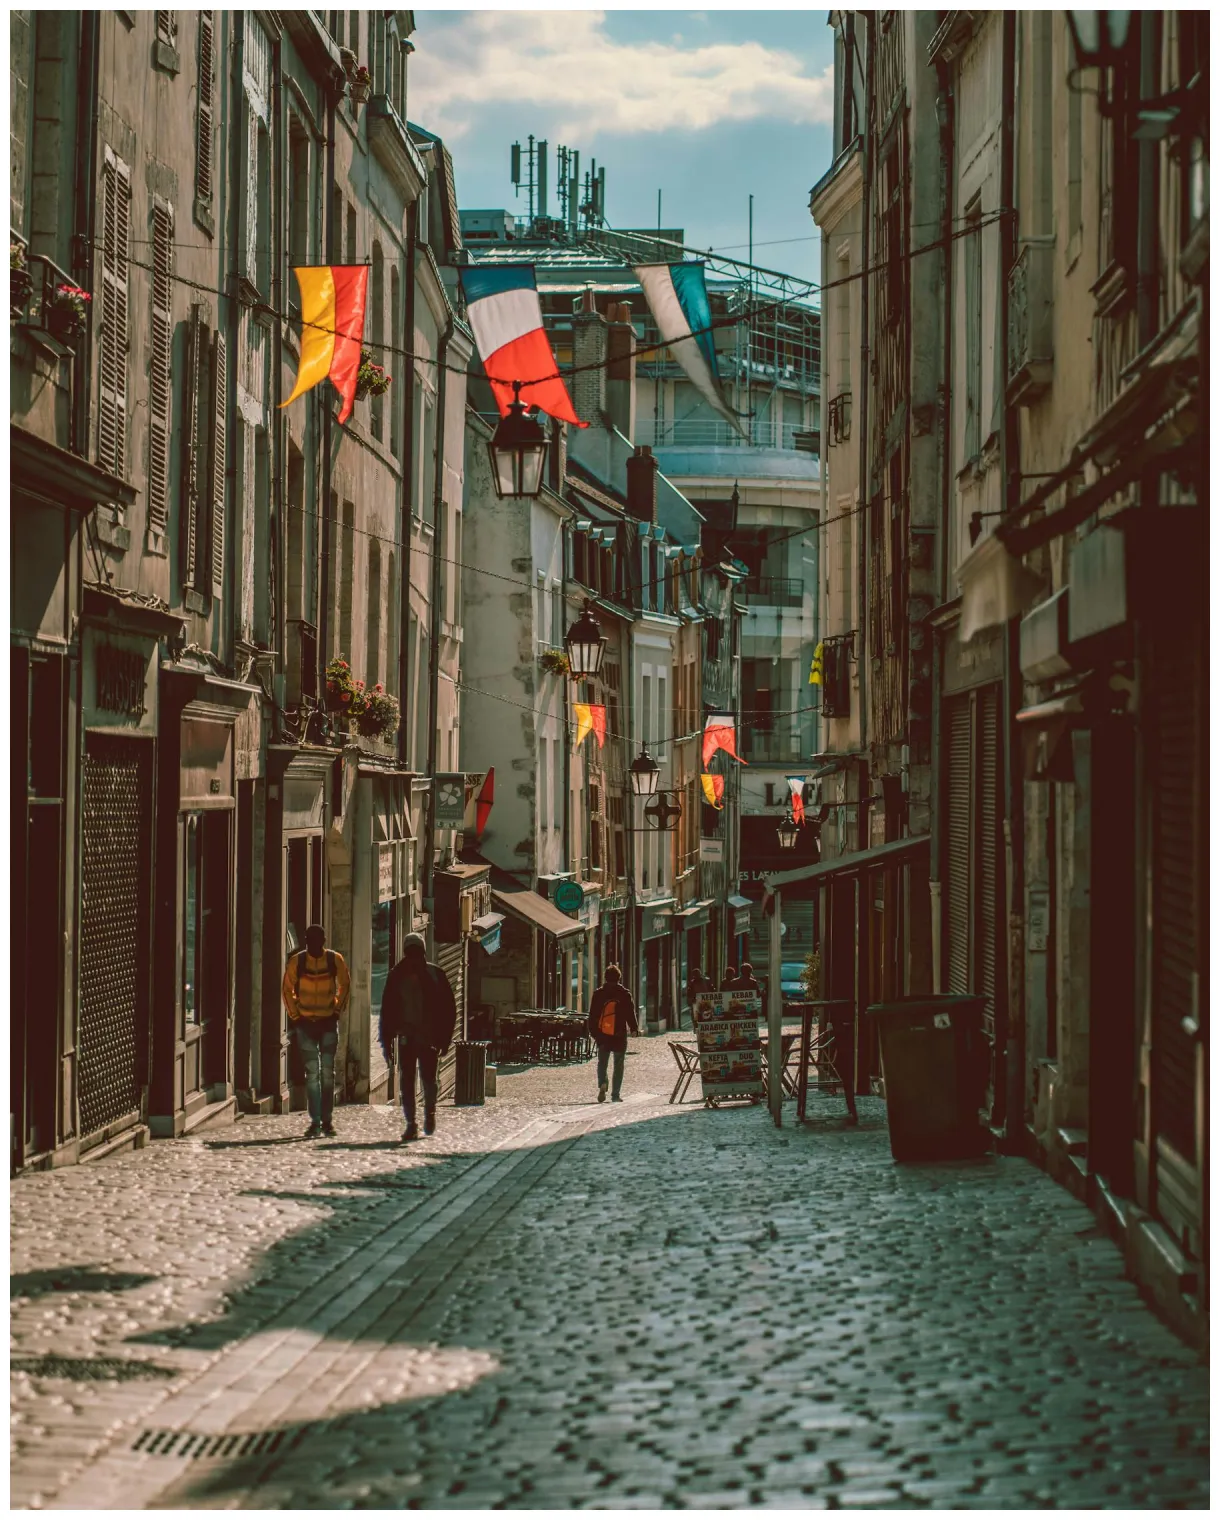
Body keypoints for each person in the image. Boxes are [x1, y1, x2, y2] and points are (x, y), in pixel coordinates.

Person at [379, 933, 457, 1142]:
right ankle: (412, 1122)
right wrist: (387, 1040)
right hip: (408, 1037)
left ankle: (428, 1113)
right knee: (409, 1080)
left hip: (428, 1037)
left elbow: (448, 1010)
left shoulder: (434, 974)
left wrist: (445, 1038)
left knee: (427, 1079)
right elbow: (388, 1009)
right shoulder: (397, 975)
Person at [282, 924, 350, 1140]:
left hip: (327, 1023)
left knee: (326, 1074)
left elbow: (345, 985)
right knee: (314, 1075)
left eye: (317, 941)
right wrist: (296, 1016)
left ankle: (326, 1121)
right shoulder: (298, 962)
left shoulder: (334, 960)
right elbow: (287, 988)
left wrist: (336, 1009)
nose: (314, 945)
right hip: (307, 1025)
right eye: (311, 941)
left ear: (323, 941)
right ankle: (316, 1121)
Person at [586, 965, 639, 1103]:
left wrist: (595, 1033)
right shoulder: (624, 994)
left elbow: (592, 1015)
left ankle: (603, 1083)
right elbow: (630, 1013)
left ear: (605, 977)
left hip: (603, 1034)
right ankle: (615, 1094)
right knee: (619, 1063)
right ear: (619, 978)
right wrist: (634, 1028)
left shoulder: (598, 994)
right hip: (619, 1034)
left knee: (602, 1062)